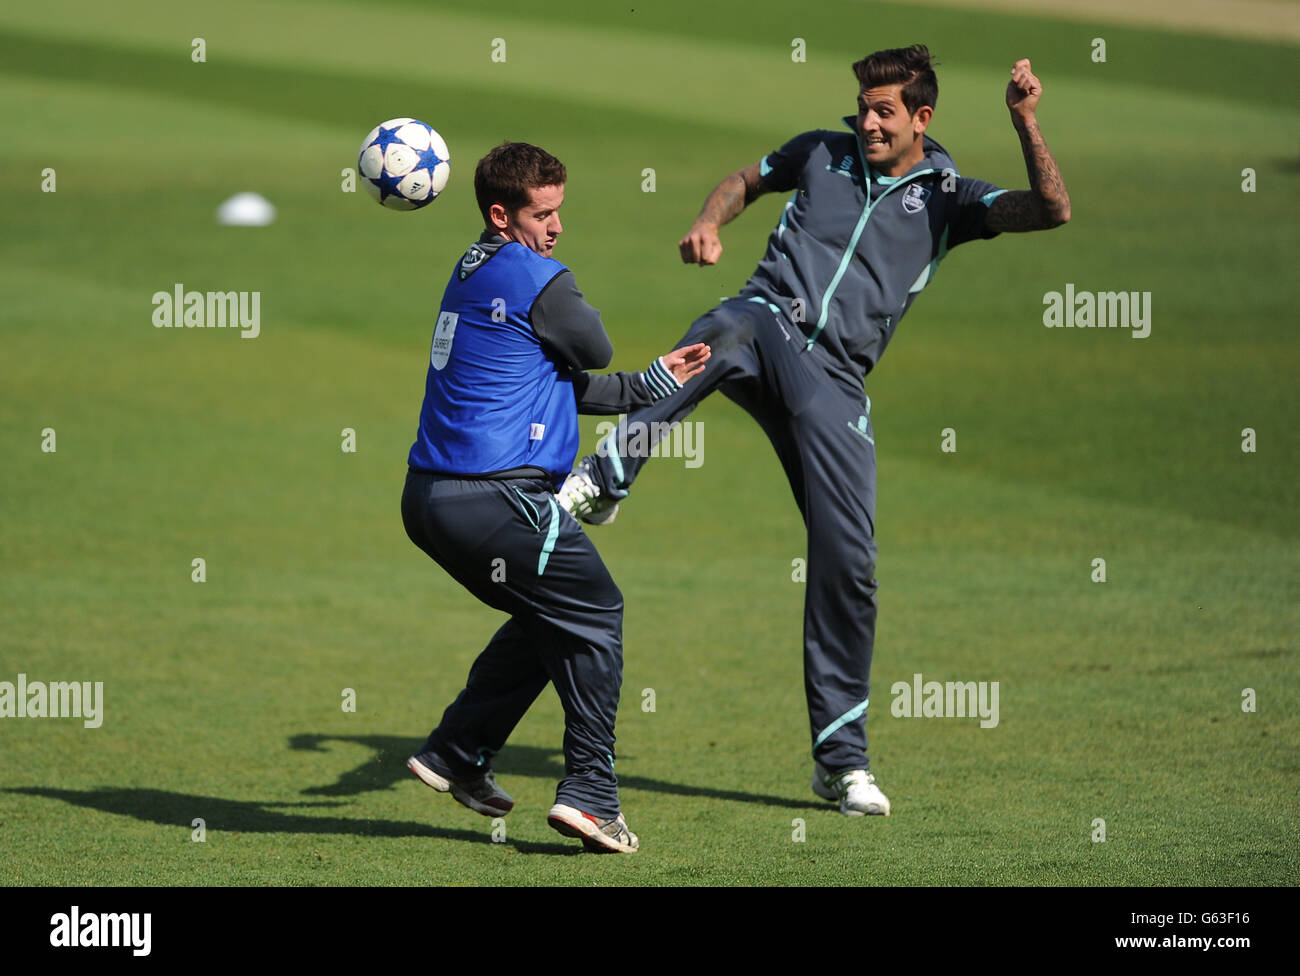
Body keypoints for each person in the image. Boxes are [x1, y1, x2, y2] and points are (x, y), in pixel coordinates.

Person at [556, 47, 1070, 816]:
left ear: (921, 119)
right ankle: (606, 476)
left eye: (884, 110)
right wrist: (707, 220)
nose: (866, 120)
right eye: (863, 106)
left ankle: (840, 763)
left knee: (850, 562)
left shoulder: (949, 196)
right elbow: (744, 181)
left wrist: (1025, 122)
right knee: (732, 324)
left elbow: (1051, 209)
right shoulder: (820, 152)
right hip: (768, 325)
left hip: (833, 384)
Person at [401, 141, 710, 852]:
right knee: (596, 611)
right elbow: (592, 346)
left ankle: (457, 752)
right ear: (502, 215)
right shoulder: (541, 279)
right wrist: (563, 291)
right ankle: (591, 797)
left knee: (552, 618)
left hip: (430, 501)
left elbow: (564, 381)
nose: (557, 227)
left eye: (560, 212)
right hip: (495, 501)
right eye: (544, 214)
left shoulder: (473, 269)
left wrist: (652, 386)